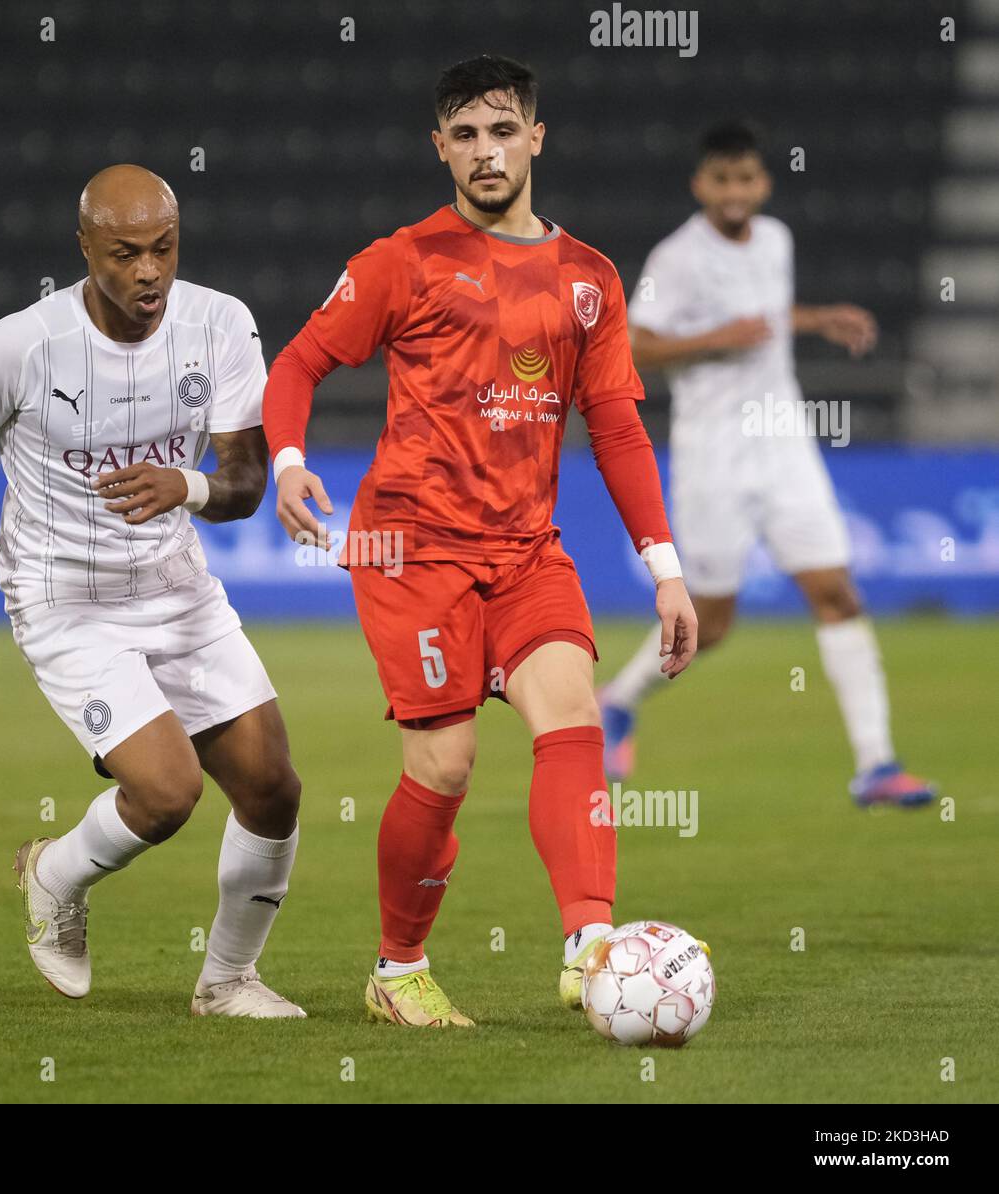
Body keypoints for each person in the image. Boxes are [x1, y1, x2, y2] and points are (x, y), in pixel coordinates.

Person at [262, 56, 699, 1027]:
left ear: (534, 138)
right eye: (463, 135)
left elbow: (618, 428)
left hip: (524, 549)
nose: (485, 151)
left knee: (572, 713)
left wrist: (664, 570)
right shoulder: (401, 263)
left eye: (501, 131)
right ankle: (397, 965)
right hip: (408, 553)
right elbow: (297, 362)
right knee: (445, 768)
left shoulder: (587, 279)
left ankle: (590, 940)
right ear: (440, 148)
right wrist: (289, 462)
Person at [0, 165, 306, 1018]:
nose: (148, 273)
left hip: (174, 585)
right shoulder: (26, 342)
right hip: (65, 599)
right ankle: (54, 875)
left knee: (273, 787)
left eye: (163, 249)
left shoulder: (221, 325)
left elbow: (239, 481)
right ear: (84, 248)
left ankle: (227, 981)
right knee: (168, 792)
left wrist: (189, 486)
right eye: (125, 253)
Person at [600, 122, 936, 809]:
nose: (735, 191)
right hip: (713, 457)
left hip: (785, 446)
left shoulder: (776, 240)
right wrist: (716, 339)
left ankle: (875, 764)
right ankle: (619, 700)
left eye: (745, 178)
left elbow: (765, 314)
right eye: (721, 179)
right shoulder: (676, 258)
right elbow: (633, 346)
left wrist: (815, 319)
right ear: (702, 185)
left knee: (837, 593)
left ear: (763, 183)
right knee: (713, 623)